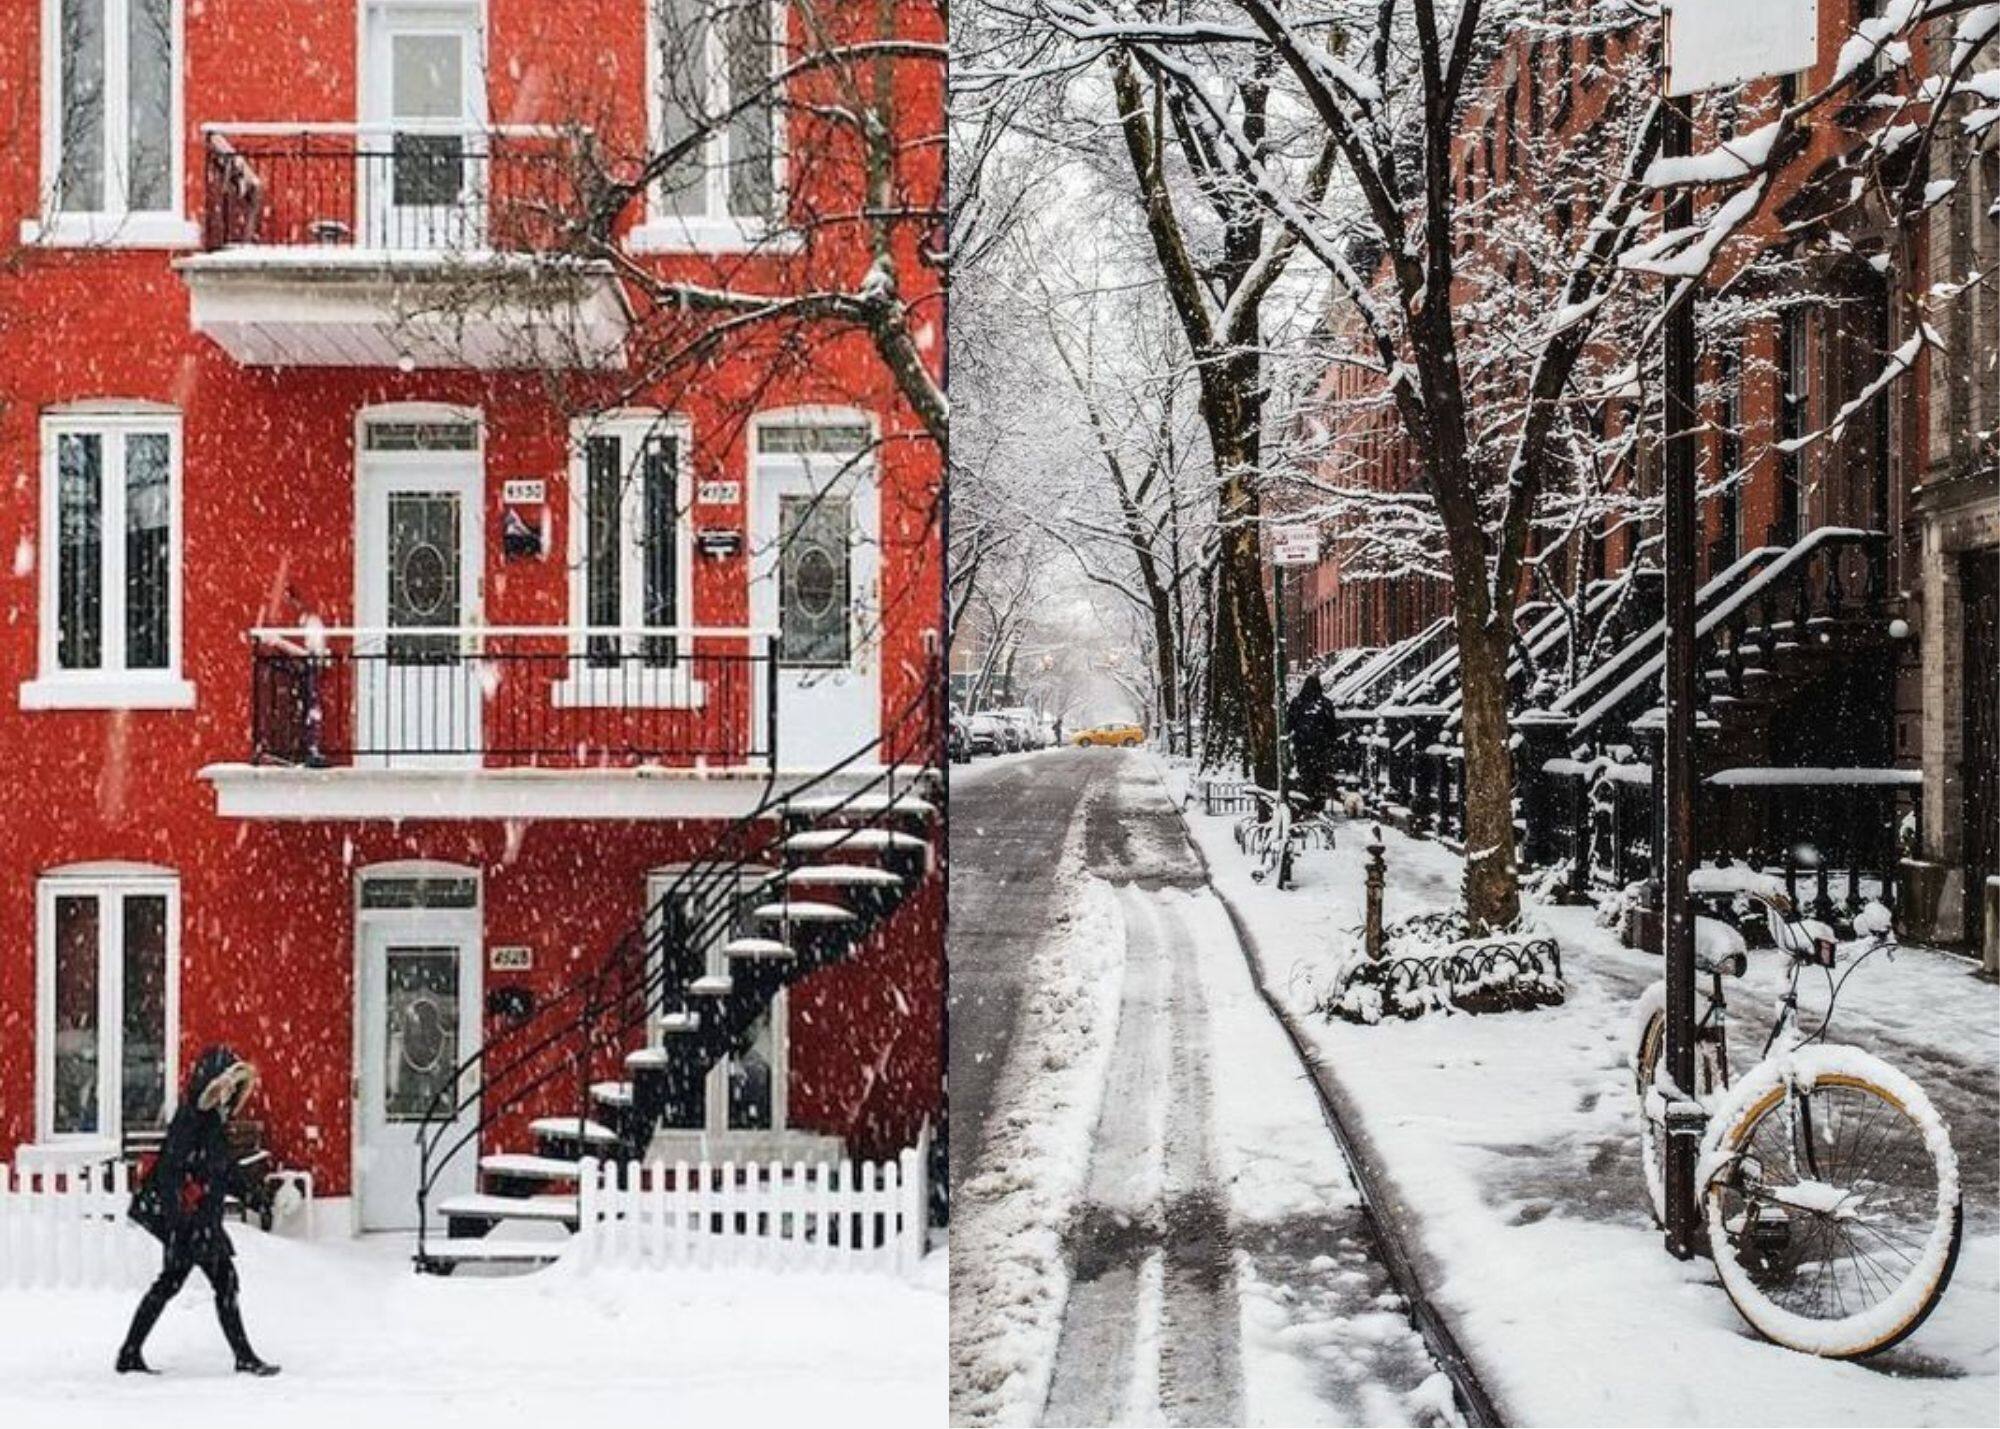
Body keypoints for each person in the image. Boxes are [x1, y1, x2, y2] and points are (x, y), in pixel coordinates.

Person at [118, 1047, 281, 1377]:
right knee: (220, 1282)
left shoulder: (211, 1123)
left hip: (197, 1221)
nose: (228, 1095)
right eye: (223, 1087)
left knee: (176, 1283)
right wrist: (180, 1222)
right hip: (189, 1222)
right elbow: (170, 1173)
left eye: (232, 1089)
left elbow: (224, 1172)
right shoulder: (191, 1120)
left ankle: (130, 1352)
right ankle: (243, 1356)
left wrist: (255, 1197)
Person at [1287, 671, 1338, 810]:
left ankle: (1305, 800)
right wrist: (1331, 744)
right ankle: (1318, 803)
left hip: (1302, 747)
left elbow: (1289, 724)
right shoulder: (1325, 703)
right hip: (1320, 748)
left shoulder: (1297, 703)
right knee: (1319, 776)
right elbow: (1332, 727)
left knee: (1304, 774)